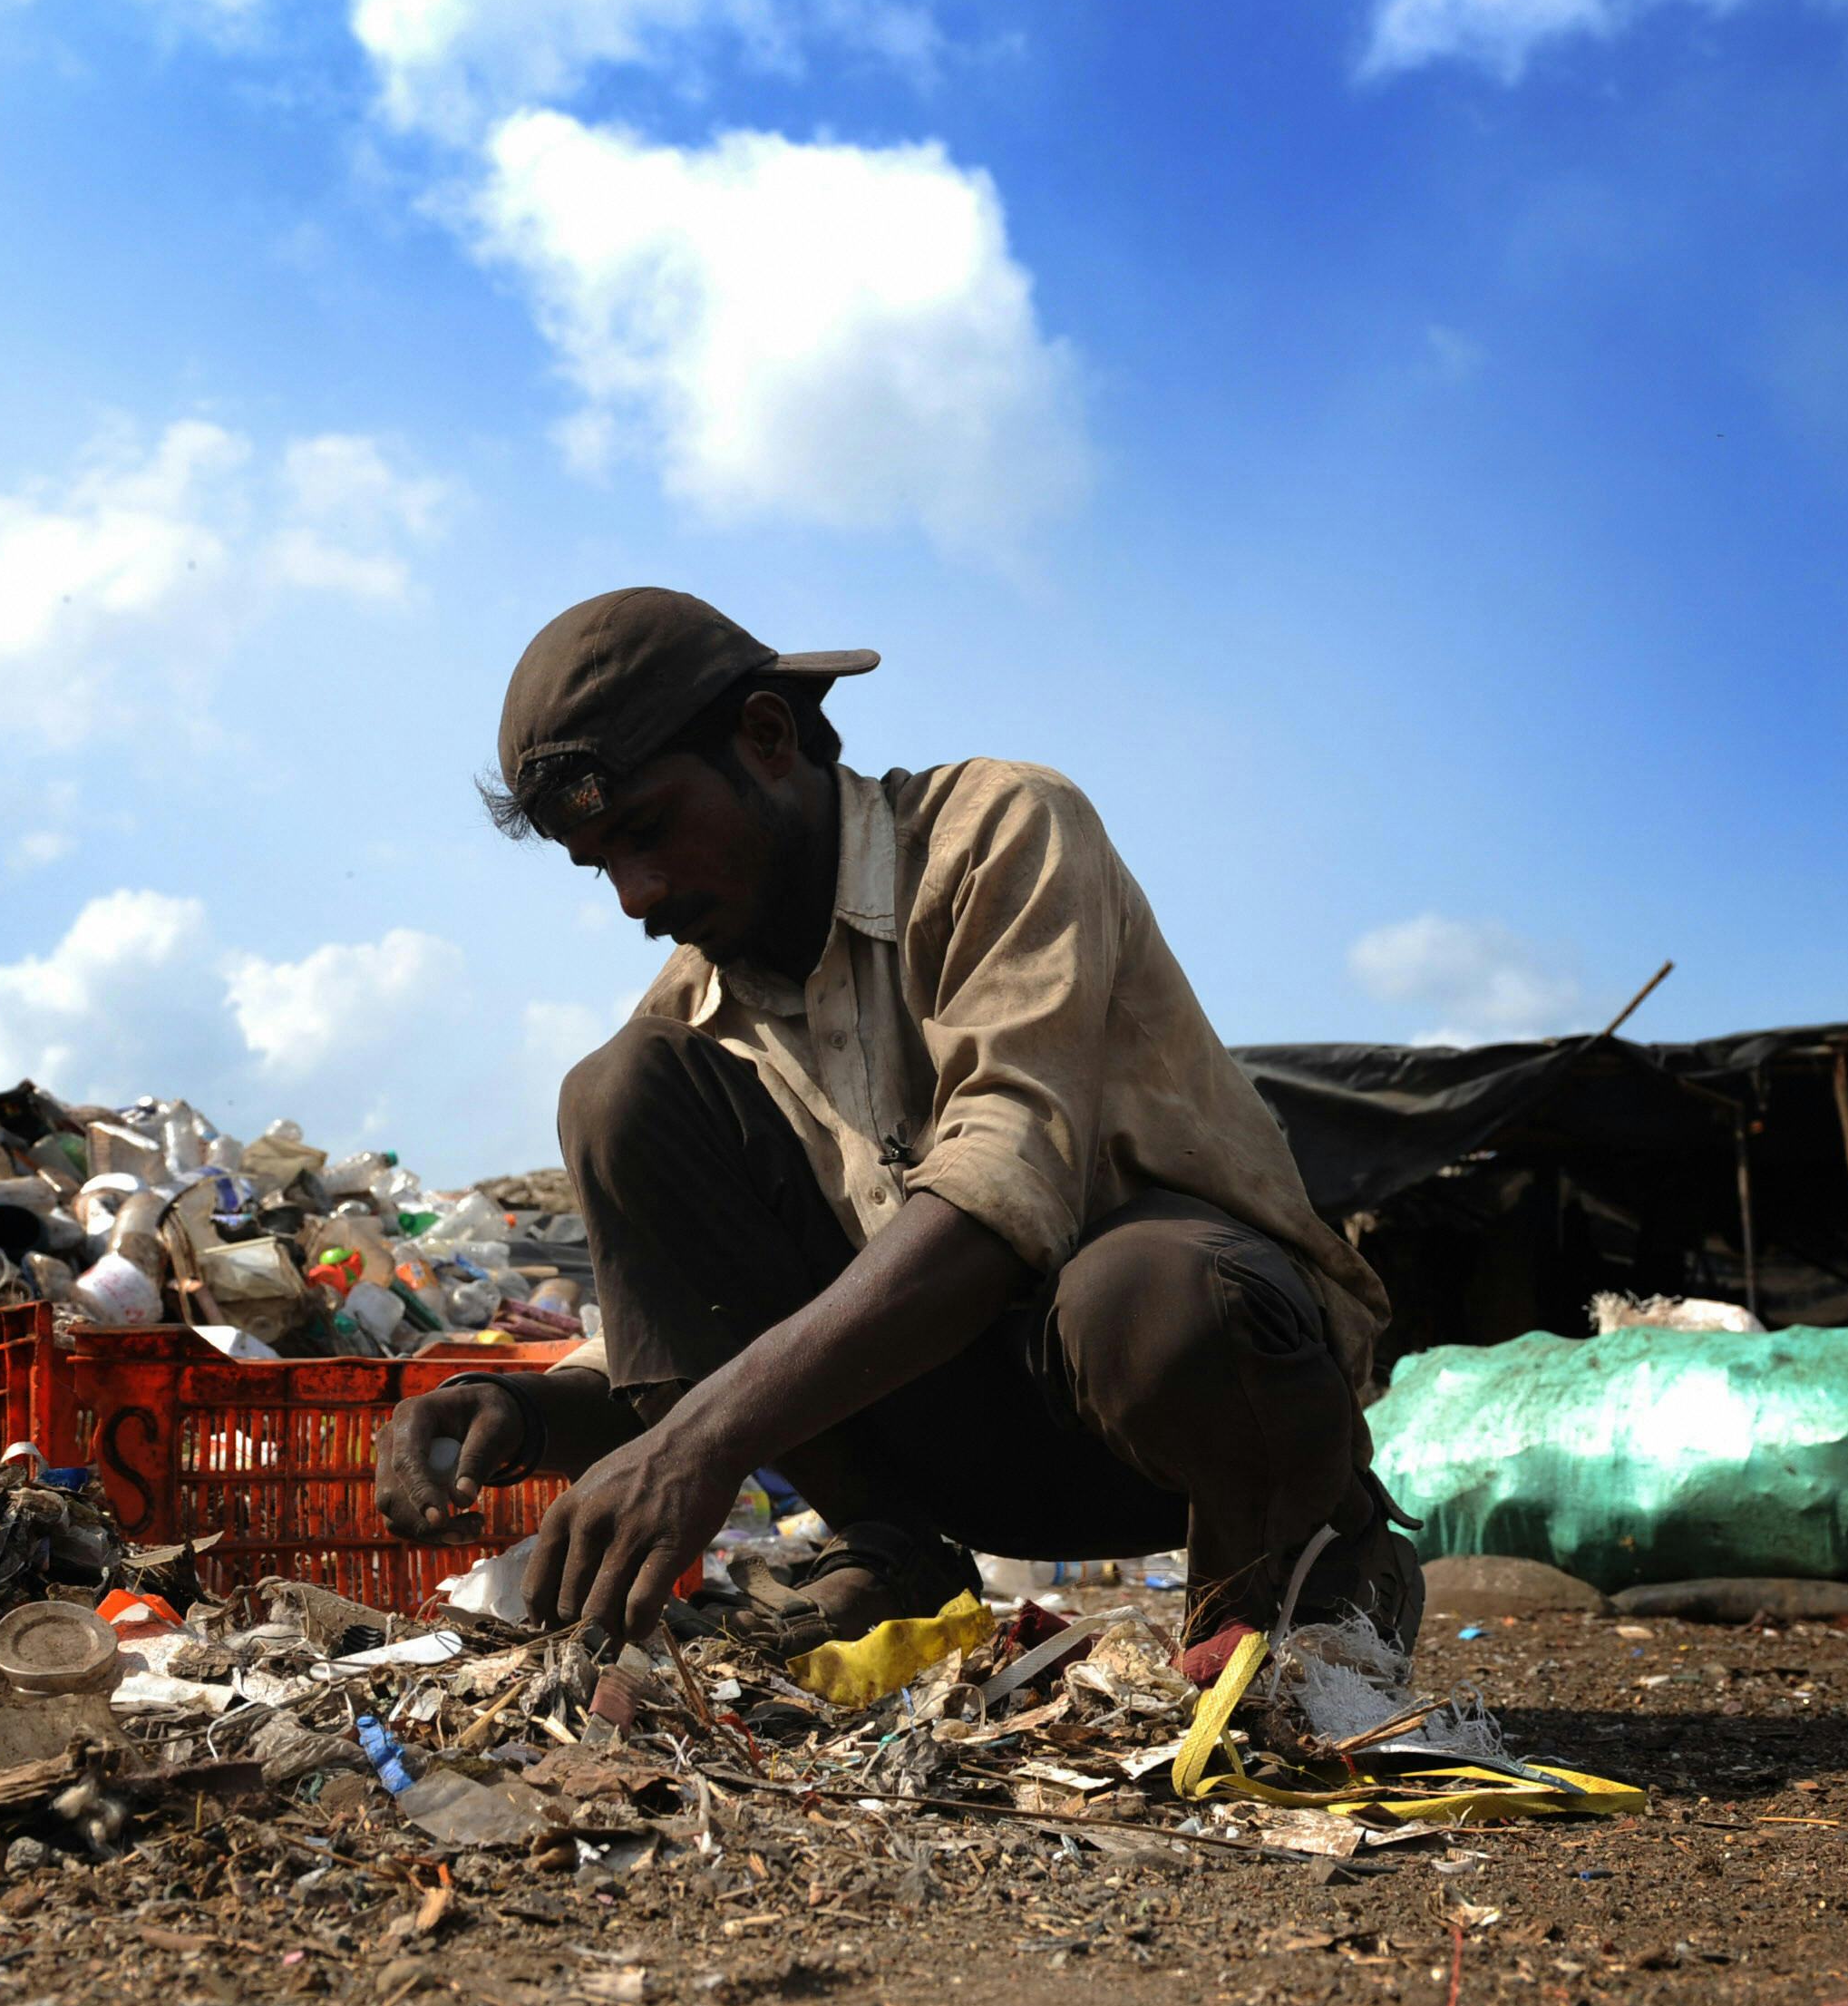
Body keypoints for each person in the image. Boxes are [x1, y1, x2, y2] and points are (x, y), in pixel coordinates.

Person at [375, 588, 1415, 1678]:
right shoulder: (690, 1015)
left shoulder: (1000, 831)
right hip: (961, 1442)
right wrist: (515, 1413)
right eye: (602, 864)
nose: (637, 894)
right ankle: (898, 1558)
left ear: (767, 738)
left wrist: (703, 1442)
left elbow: (1002, 1191)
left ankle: (1307, 1570)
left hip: (1196, 1396)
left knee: (1146, 1292)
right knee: (616, 1090)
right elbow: (691, 1348)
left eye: (647, 830)